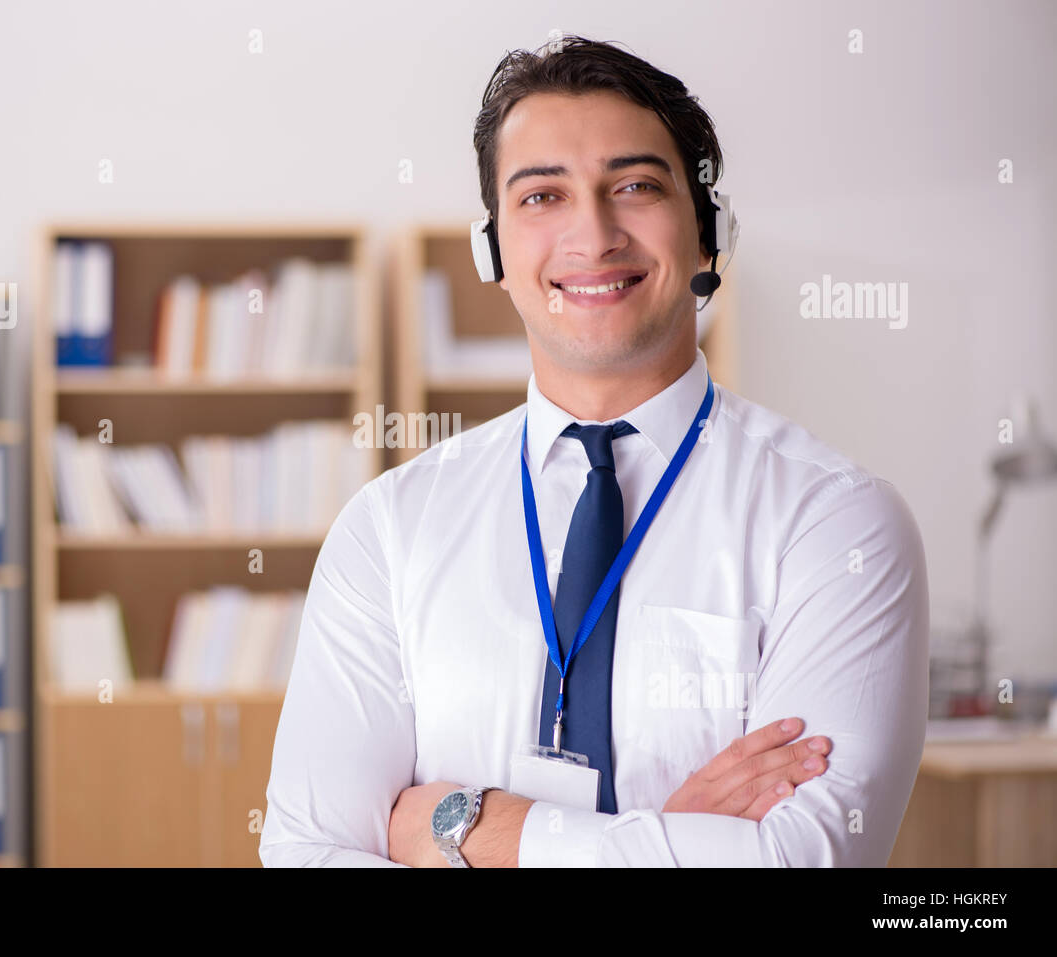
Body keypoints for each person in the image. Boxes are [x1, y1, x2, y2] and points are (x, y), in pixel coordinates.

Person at [259, 35, 928, 867]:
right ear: (493, 251)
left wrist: (468, 828)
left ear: (710, 230)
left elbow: (804, 861)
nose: (594, 232)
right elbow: (307, 851)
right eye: (542, 196)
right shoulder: (389, 530)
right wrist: (671, 831)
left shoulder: (838, 523)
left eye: (637, 185)